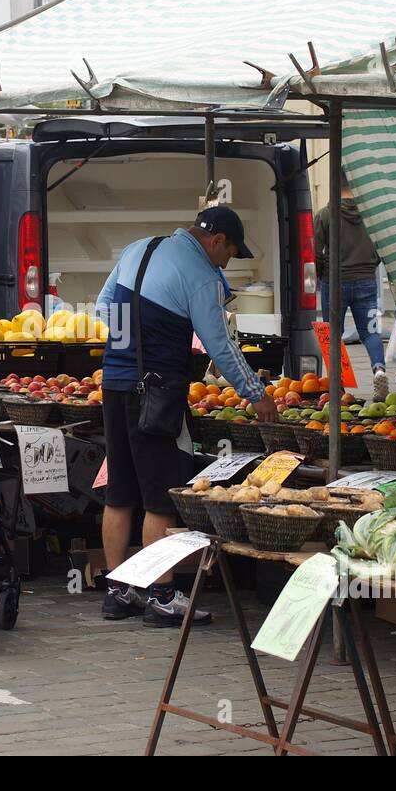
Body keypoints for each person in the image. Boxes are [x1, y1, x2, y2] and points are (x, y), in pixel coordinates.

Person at [95, 206, 277, 627]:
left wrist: (131, 345)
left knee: (119, 491)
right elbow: (221, 346)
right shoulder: (201, 274)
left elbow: (104, 307)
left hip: (115, 385)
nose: (227, 262)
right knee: (161, 495)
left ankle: (118, 591)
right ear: (216, 241)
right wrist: (257, 394)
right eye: (230, 253)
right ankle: (160, 595)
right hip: (157, 393)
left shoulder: (139, 247)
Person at [314, 182, 389, 403]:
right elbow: (382, 247)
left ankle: (339, 386)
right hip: (366, 280)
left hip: (334, 283)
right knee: (370, 332)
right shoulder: (371, 216)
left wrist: (321, 273)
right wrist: (370, 265)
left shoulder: (325, 215)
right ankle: (379, 371)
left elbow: (316, 252)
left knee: (332, 334)